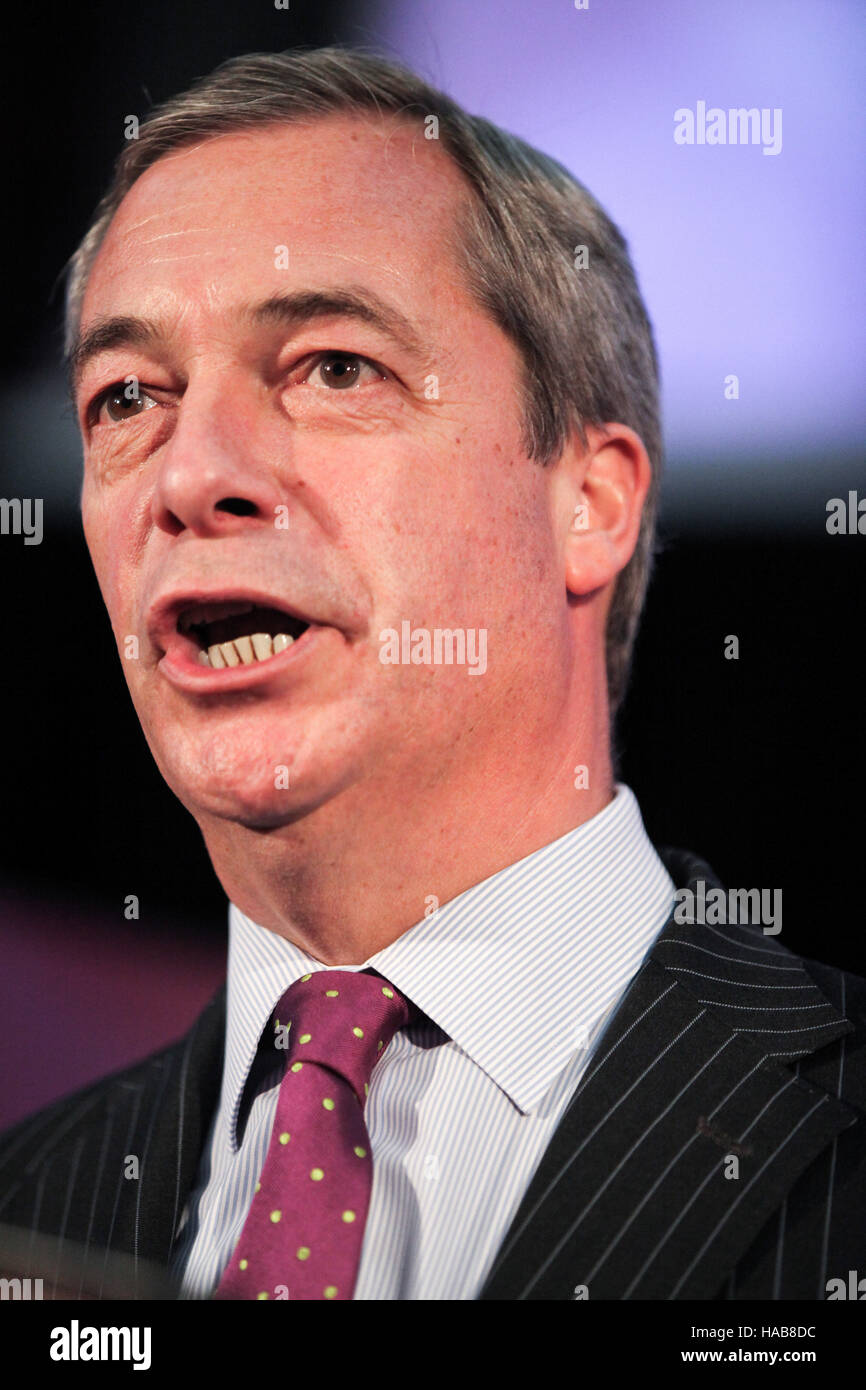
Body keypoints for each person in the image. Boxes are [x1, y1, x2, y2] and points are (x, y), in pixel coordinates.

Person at [0, 47, 862, 1302]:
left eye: (334, 369)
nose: (190, 477)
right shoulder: (28, 1208)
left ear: (589, 498)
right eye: (127, 396)